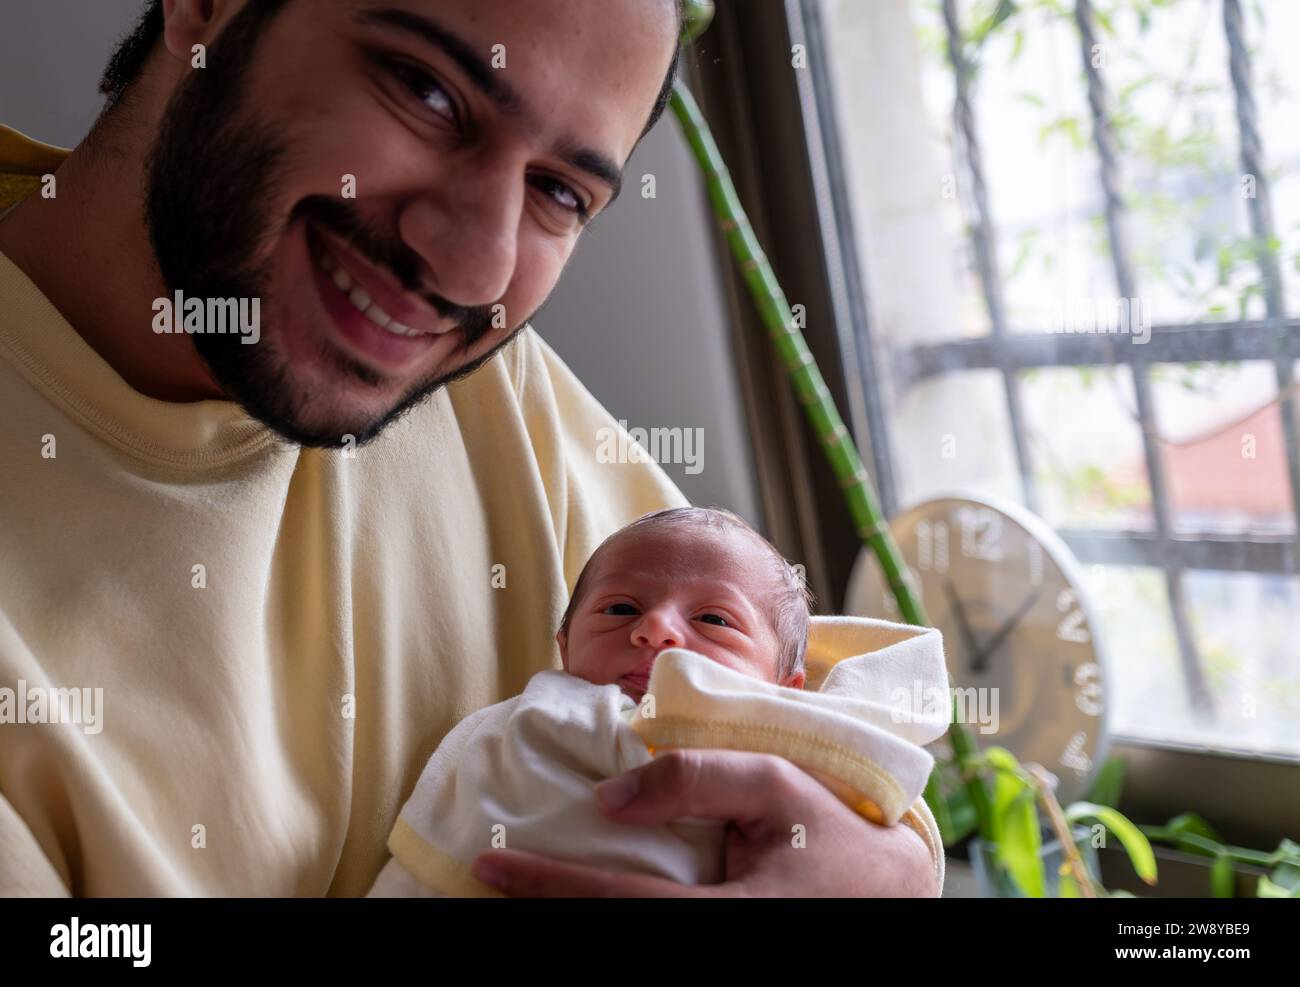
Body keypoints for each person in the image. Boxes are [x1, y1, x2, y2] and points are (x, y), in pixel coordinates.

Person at [0, 0, 939, 897]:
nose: (475, 265)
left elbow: (806, 717)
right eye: (428, 91)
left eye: (558, 191)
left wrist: (893, 859)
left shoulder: (489, 385)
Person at [367, 507, 948, 897]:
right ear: (564, 650)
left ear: (785, 688)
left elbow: (877, 820)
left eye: (714, 619)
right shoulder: (531, 719)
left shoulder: (794, 740)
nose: (656, 629)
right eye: (619, 608)